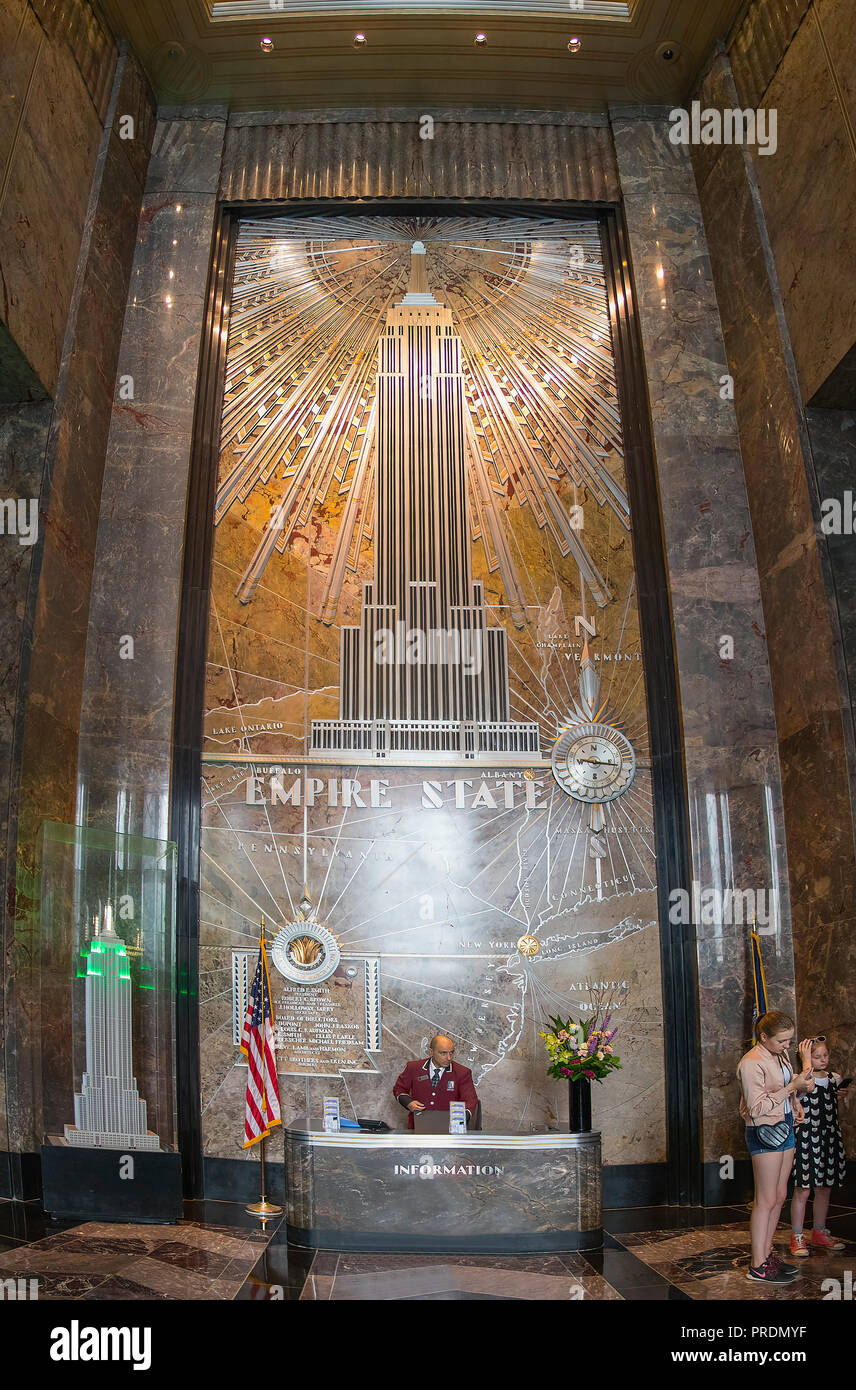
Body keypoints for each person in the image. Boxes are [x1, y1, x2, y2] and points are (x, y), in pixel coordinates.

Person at [737, 1011, 816, 1284]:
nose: (786, 1046)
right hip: (764, 1132)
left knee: (780, 1195)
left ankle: (767, 1255)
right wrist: (791, 1088)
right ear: (763, 1037)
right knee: (766, 1199)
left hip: (785, 1127)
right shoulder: (751, 1063)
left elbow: (798, 1087)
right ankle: (757, 1265)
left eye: (789, 1041)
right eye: (782, 1041)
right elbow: (756, 1107)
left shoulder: (779, 1056)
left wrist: (796, 1101)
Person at [790, 1036, 849, 1256]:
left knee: (824, 1188)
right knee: (803, 1188)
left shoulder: (834, 1078)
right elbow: (802, 1091)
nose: (823, 1059)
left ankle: (819, 1231)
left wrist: (841, 1094)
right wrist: (807, 1063)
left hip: (829, 1137)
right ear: (805, 1057)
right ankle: (797, 1235)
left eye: (825, 1055)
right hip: (806, 1137)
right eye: (816, 1056)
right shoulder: (800, 1079)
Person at [393, 1035, 478, 1130]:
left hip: (451, 1129)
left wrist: (459, 1120)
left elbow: (470, 1100)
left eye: (451, 1053)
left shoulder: (462, 1072)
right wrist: (408, 1102)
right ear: (431, 1051)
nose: (449, 1058)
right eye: (443, 1053)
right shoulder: (413, 1068)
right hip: (418, 1127)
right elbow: (399, 1089)